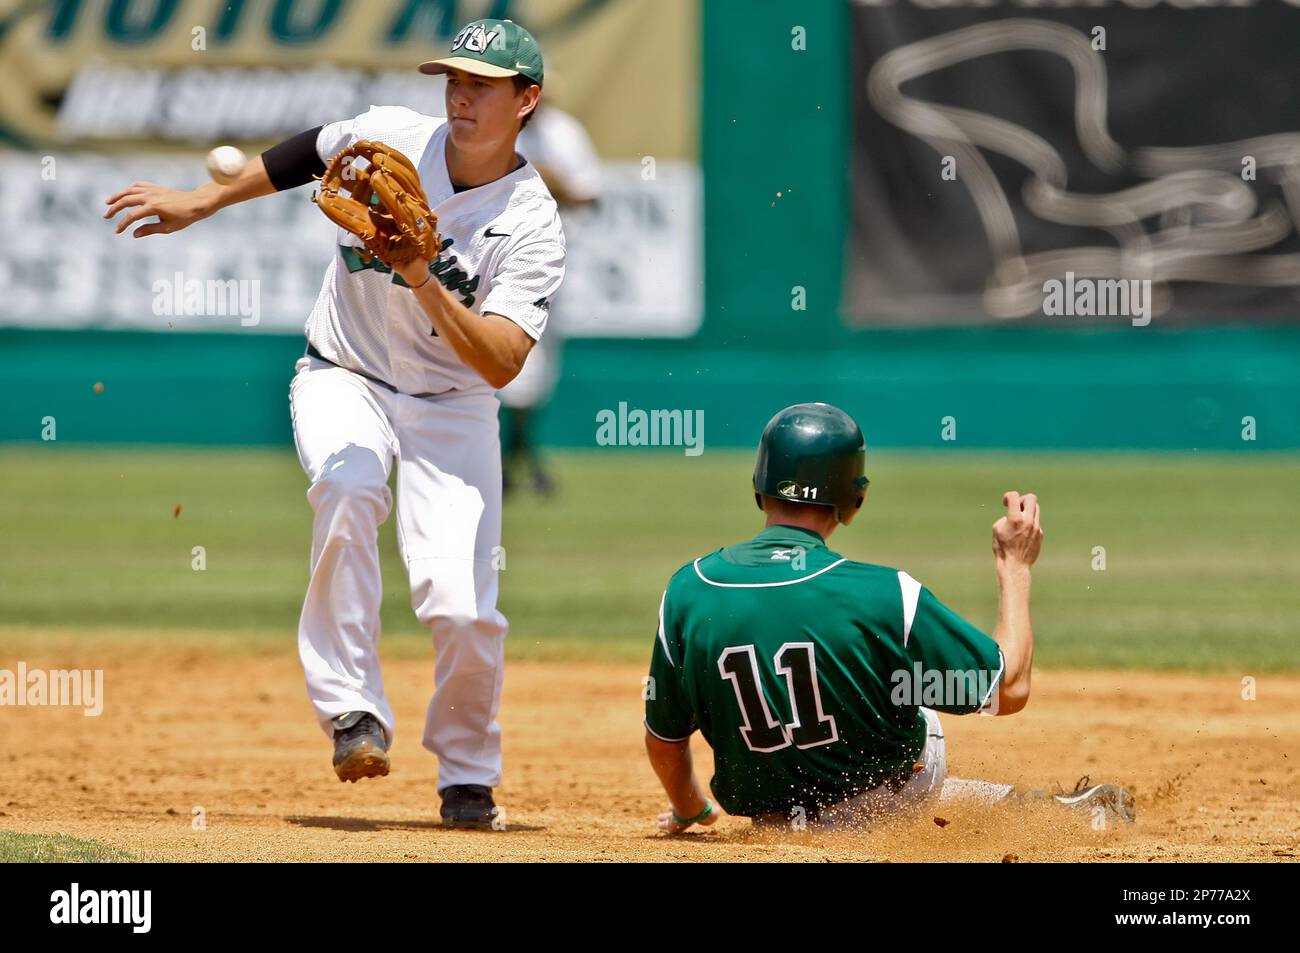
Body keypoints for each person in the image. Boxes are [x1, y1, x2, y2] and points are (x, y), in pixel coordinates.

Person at [104, 18, 564, 829]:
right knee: (348, 483)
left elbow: (500, 362)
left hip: (453, 407)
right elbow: (312, 150)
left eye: (483, 85)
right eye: (454, 79)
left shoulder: (530, 221)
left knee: (461, 605)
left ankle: (467, 774)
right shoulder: (394, 135)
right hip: (342, 371)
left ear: (526, 100)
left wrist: (421, 273)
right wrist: (205, 199)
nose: (461, 95)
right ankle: (352, 712)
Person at [643, 402, 1134, 832]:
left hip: (770, 820)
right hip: (881, 804)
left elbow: (665, 742)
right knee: (908, 684)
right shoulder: (884, 592)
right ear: (853, 497)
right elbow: (1009, 691)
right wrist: (1015, 567)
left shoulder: (688, 588)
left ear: (760, 483)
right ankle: (1040, 814)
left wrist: (690, 810)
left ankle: (1017, 811)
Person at [498, 95, 603, 497]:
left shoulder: (563, 132)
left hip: (550, 262)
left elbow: (591, 195)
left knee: (536, 366)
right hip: (495, 261)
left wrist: (552, 182)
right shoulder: (493, 130)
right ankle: (519, 461)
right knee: (504, 362)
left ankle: (516, 458)